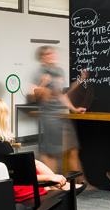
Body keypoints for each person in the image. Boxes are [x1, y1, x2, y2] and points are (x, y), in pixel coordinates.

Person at [0, 98, 70, 207]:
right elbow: (16, 176)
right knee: (35, 167)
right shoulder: (2, 146)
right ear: (0, 119)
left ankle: (61, 184)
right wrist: (49, 178)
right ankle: (62, 184)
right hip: (15, 189)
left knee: (34, 163)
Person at [28, 46, 86, 174]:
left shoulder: (59, 71)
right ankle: (50, 185)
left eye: (51, 53)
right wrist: (43, 83)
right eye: (46, 54)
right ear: (41, 57)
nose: (50, 56)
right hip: (50, 117)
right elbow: (32, 95)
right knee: (52, 153)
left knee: (73, 148)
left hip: (62, 116)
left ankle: (82, 183)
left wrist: (74, 109)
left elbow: (61, 94)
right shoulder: (39, 73)